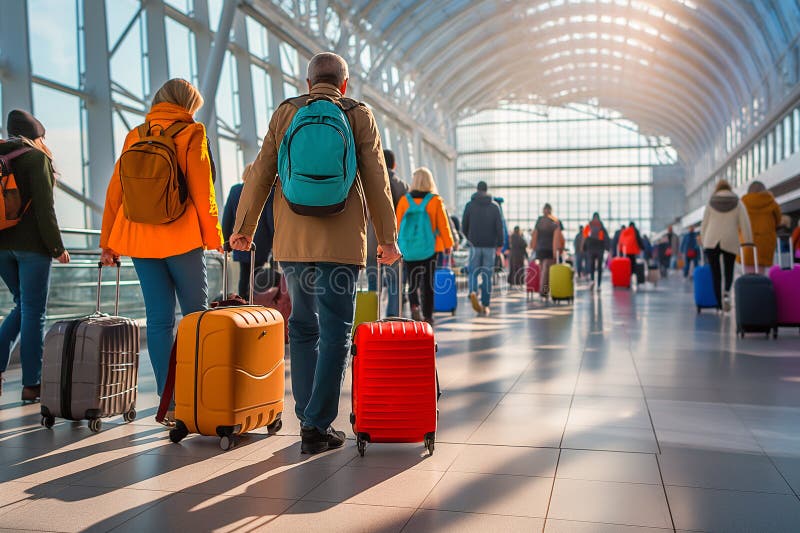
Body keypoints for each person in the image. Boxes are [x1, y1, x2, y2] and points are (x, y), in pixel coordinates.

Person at [229, 52, 400, 455]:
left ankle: (306, 414)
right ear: (344, 84)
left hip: (293, 241)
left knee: (303, 326)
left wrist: (243, 230)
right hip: (342, 243)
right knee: (336, 330)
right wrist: (388, 239)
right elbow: (376, 177)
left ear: (308, 83)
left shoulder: (287, 112)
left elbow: (261, 172)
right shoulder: (358, 114)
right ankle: (317, 425)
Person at [100, 78, 223, 425]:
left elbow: (115, 192)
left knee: (158, 320)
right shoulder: (192, 133)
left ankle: (169, 401)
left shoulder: (135, 135)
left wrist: (108, 243)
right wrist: (214, 237)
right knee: (195, 316)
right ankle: (198, 395)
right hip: (181, 238)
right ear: (188, 105)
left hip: (139, 239)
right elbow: (203, 190)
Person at [0, 110, 70, 401]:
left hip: (2, 248)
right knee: (33, 312)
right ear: (37, 136)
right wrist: (57, 248)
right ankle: (32, 383)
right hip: (32, 248)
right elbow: (44, 209)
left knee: (23, 305)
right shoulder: (35, 158)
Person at [395, 167, 453, 324]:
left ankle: (414, 306)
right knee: (428, 282)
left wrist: (396, 245)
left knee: (412, 281)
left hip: (409, 248)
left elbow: (397, 225)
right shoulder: (435, 201)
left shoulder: (404, 201)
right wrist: (448, 244)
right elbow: (443, 225)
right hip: (430, 248)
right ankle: (428, 315)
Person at [221, 164, 274, 297]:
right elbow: (270, 218)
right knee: (257, 275)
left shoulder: (235, 190)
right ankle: (255, 301)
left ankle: (243, 302)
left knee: (244, 275)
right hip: (261, 241)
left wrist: (226, 242)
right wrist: (275, 242)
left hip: (239, 240)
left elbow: (227, 218)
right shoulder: (266, 191)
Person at [366, 149, 407, 316]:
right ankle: (392, 318)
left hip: (371, 240)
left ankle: (371, 317)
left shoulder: (369, 183)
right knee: (394, 284)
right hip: (394, 241)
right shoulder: (403, 186)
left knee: (373, 283)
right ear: (394, 165)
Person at [700, 180, 752, 311]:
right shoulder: (737, 202)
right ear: (729, 188)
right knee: (729, 270)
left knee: (715, 273)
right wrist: (748, 240)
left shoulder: (711, 203)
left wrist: (703, 240)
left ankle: (718, 304)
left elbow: (704, 224)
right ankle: (727, 293)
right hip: (730, 239)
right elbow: (745, 222)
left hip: (711, 240)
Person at [462, 181, 505, 315]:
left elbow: (464, 225)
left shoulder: (469, 205)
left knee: (473, 272)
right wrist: (500, 244)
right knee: (487, 275)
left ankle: (473, 292)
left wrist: (469, 238)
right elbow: (499, 227)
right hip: (489, 246)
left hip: (474, 245)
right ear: (487, 190)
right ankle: (485, 304)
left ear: (477, 189)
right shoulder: (494, 206)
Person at [741, 181, 781, 269]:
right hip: (766, 241)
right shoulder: (772, 203)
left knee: (747, 270)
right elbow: (778, 221)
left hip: (747, 241)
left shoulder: (742, 203)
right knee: (762, 271)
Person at [530, 203, 564, 299]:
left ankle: (544, 291)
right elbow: (560, 236)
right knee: (547, 273)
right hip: (550, 250)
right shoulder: (555, 221)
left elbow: (535, 234)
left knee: (543, 272)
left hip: (540, 249)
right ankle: (544, 291)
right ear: (551, 210)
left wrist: (533, 247)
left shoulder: (539, 220)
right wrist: (560, 249)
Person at [582, 212, 609, 290]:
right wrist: (607, 248)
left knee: (592, 266)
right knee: (599, 267)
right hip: (600, 248)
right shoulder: (601, 226)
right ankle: (599, 285)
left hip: (591, 247)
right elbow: (606, 238)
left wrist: (584, 247)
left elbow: (585, 237)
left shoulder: (589, 225)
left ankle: (592, 281)